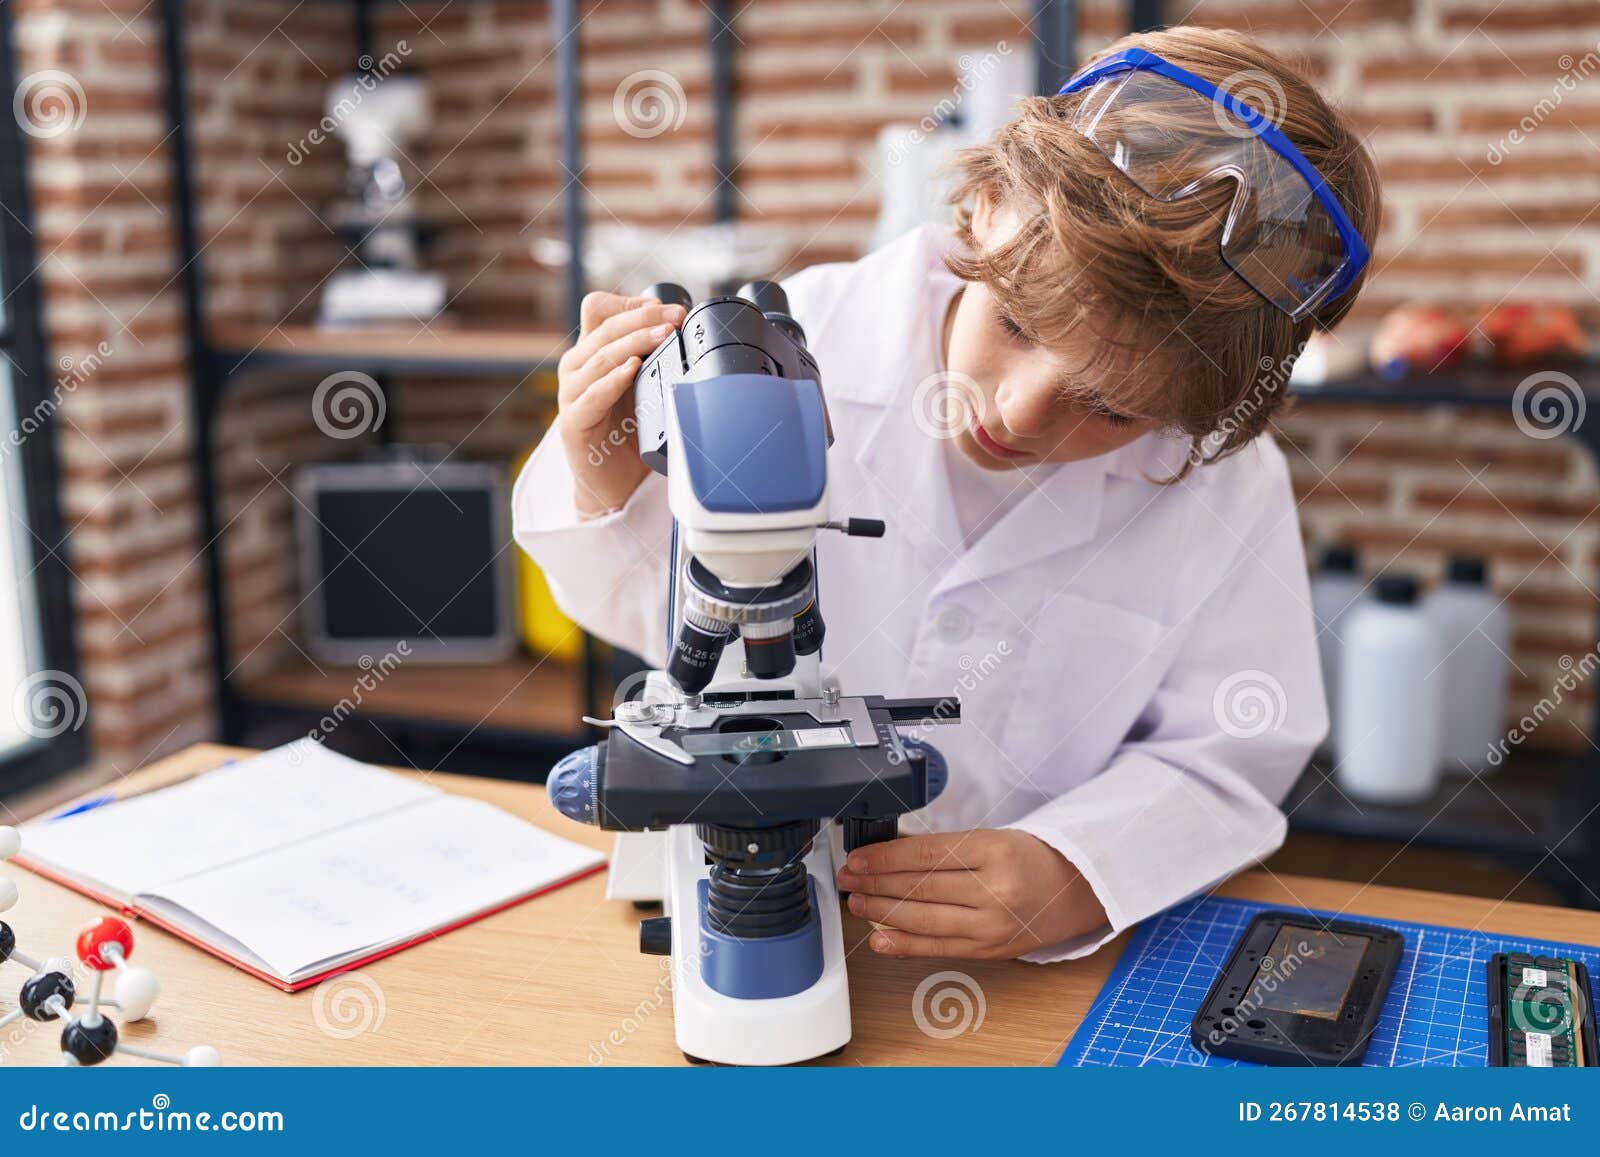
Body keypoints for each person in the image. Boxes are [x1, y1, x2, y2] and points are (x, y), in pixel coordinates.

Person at [514, 25, 1381, 962]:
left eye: (1112, 409)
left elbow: (1231, 750)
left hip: (1027, 968)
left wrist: (1075, 868)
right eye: (1015, 321)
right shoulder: (799, 345)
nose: (1019, 412)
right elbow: (654, 621)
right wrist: (606, 480)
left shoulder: (1220, 483)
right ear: (984, 205)